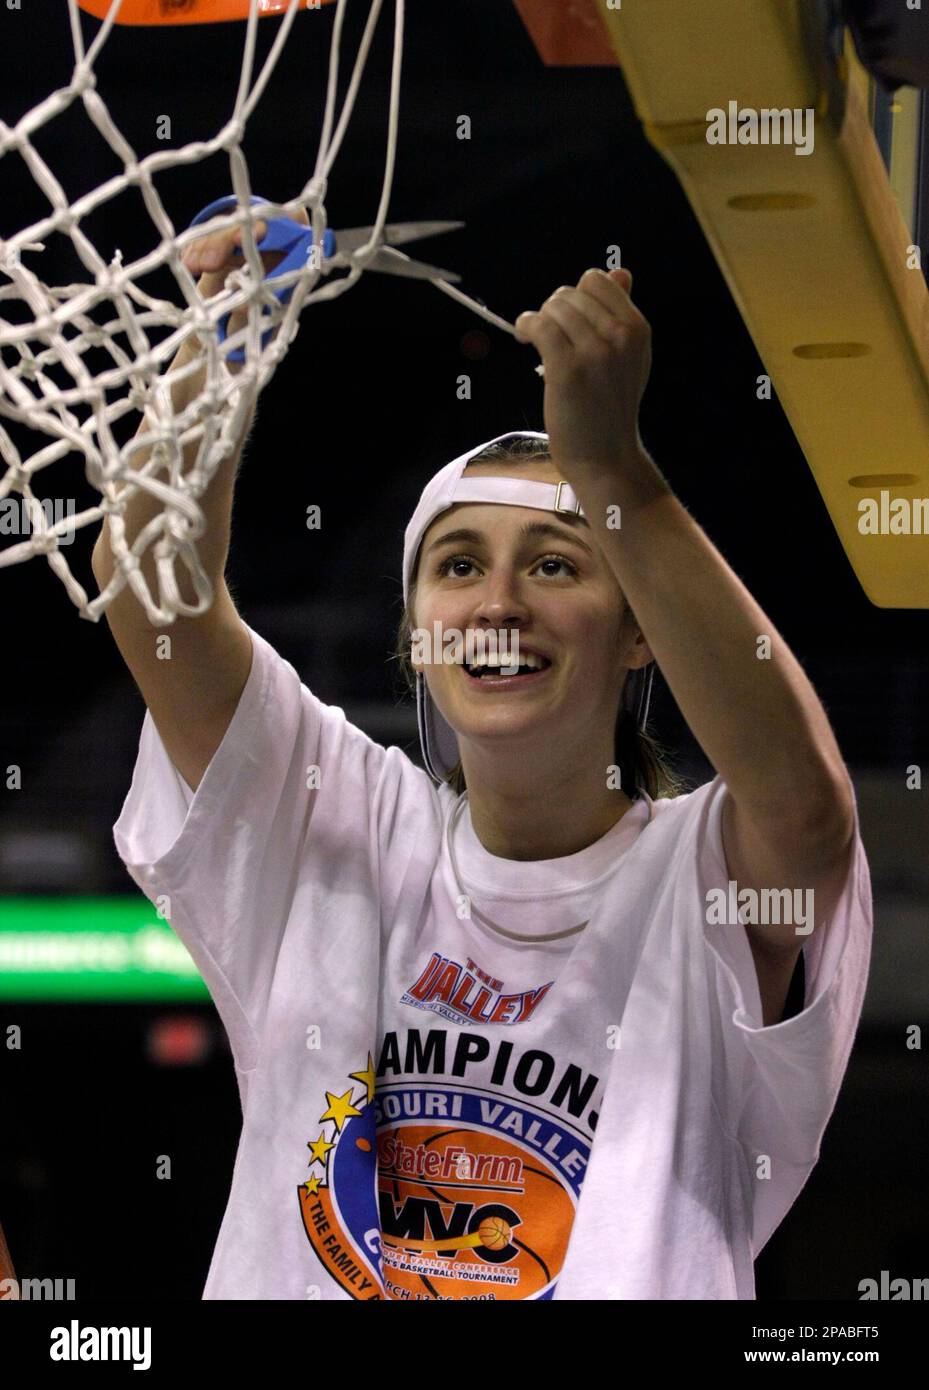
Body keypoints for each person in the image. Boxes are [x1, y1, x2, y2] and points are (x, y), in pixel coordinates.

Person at [94, 219, 872, 1300]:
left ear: (637, 623)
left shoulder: (701, 874)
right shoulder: (338, 820)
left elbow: (804, 806)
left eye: (554, 564)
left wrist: (614, 472)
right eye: (458, 565)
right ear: (417, 632)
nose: (497, 603)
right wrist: (221, 345)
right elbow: (148, 587)